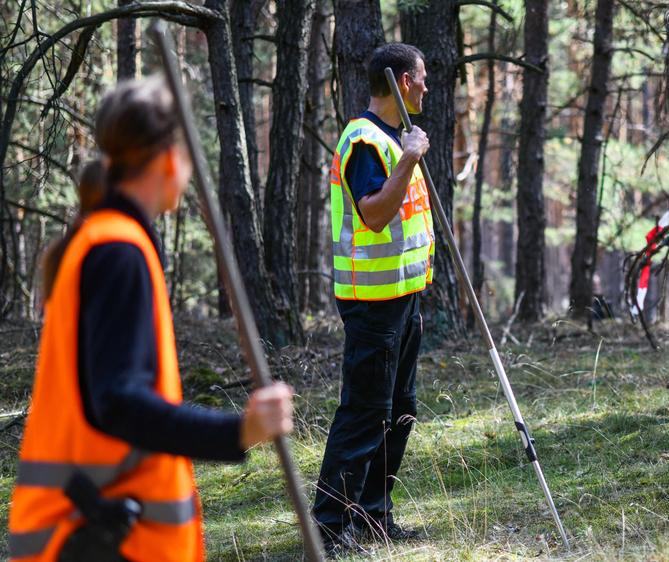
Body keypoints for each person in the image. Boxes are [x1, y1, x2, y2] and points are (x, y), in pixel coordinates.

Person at [8, 77, 294, 562]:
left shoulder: (103, 240)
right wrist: (237, 431)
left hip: (96, 535)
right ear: (168, 158)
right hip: (100, 539)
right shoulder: (117, 250)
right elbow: (120, 400)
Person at [312, 43, 434, 553]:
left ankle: (373, 516)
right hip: (373, 303)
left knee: (400, 409)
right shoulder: (366, 140)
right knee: (365, 411)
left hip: (404, 298)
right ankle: (328, 527)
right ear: (403, 82)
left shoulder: (394, 137)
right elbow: (375, 214)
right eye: (422, 78)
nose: (427, 86)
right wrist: (408, 160)